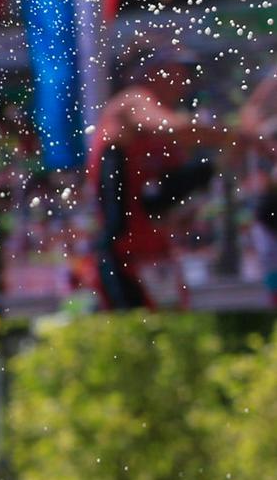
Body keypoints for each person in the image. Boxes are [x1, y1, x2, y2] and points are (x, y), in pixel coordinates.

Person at [89, 49, 256, 309]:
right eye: (178, 72)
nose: (185, 82)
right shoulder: (133, 101)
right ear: (152, 72)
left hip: (157, 254)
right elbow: (173, 128)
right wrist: (232, 136)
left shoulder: (171, 135)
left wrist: (216, 165)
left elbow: (169, 202)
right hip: (121, 253)